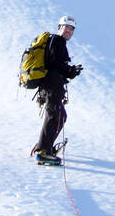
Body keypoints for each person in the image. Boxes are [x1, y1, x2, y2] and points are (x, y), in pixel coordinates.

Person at [32, 16, 83, 161]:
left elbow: (56, 64)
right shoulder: (57, 40)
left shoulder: (55, 41)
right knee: (55, 116)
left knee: (60, 116)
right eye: (66, 27)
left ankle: (44, 146)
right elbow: (56, 64)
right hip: (52, 84)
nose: (68, 30)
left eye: (71, 29)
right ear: (59, 27)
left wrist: (70, 71)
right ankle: (43, 151)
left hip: (50, 85)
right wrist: (70, 71)